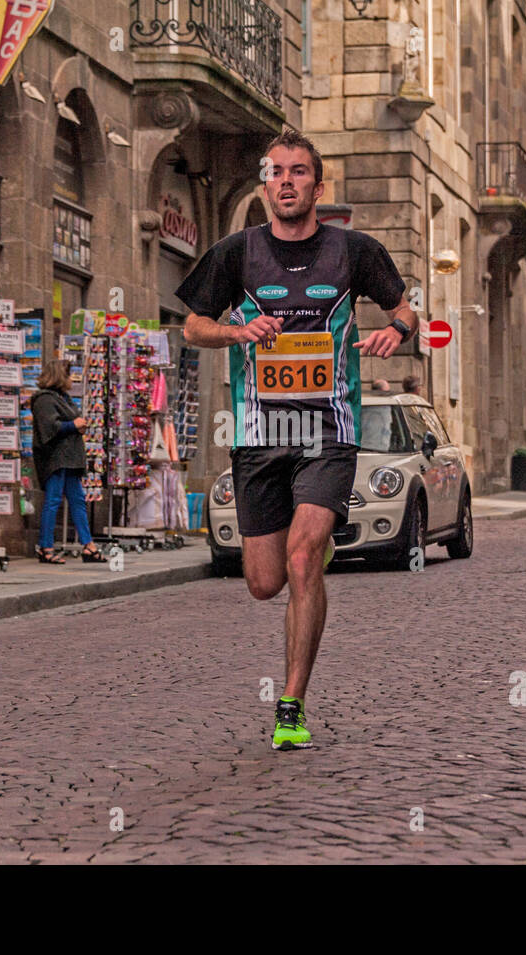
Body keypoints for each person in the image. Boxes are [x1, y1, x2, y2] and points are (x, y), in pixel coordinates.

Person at [177, 127, 415, 751]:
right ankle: (307, 557)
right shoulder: (236, 253)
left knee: (303, 557)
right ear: (264, 184)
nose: (287, 181)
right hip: (258, 432)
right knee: (263, 581)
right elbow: (191, 327)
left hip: (327, 430)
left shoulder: (354, 251)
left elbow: (406, 309)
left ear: (317, 183)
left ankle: (291, 703)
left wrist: (397, 332)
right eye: (277, 172)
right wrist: (237, 332)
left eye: (299, 172)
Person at [30, 361, 107, 564]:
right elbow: (49, 427)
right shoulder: (44, 399)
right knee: (53, 500)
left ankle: (88, 545)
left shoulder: (62, 398)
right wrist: (73, 425)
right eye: (68, 375)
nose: (72, 379)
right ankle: (45, 547)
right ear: (59, 376)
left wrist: (78, 426)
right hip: (56, 458)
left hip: (71, 459)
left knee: (78, 501)